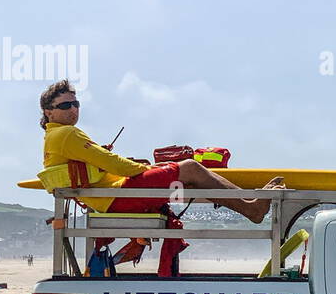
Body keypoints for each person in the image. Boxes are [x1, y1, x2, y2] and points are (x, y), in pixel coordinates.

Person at [38, 81, 283, 222]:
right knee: (191, 167)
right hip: (115, 198)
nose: (74, 110)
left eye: (76, 103)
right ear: (49, 112)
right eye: (66, 105)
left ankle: (252, 202)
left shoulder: (53, 138)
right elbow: (114, 164)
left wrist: (146, 169)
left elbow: (98, 164)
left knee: (186, 175)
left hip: (107, 198)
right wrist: (147, 169)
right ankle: (252, 207)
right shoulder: (67, 134)